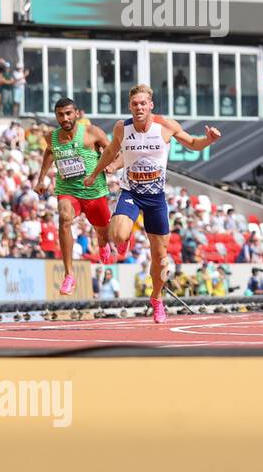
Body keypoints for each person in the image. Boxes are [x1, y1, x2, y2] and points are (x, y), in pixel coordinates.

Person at [83, 84, 221, 323]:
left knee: (160, 259)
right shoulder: (121, 128)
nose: (139, 108)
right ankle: (123, 239)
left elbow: (192, 143)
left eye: (143, 104)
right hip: (131, 192)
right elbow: (111, 153)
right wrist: (95, 173)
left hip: (155, 198)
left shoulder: (166, 126)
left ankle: (157, 299)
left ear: (151, 106)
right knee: (117, 233)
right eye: (135, 104)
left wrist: (208, 140)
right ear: (129, 106)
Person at [33, 97, 121, 295]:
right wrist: (41, 179)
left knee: (102, 231)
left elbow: (112, 150)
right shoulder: (51, 137)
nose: (64, 118)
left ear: (76, 114)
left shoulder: (92, 132)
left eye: (68, 113)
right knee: (64, 218)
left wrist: (111, 164)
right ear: (56, 116)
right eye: (60, 115)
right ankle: (69, 275)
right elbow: (49, 152)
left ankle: (103, 242)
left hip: (94, 192)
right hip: (68, 190)